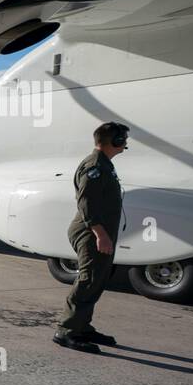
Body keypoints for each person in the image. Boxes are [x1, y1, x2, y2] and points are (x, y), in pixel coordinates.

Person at [53, 121, 129, 354]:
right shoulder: (94, 166)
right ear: (114, 141)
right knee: (88, 280)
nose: (125, 143)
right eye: (123, 139)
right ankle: (67, 331)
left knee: (96, 280)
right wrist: (100, 235)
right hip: (90, 232)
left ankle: (82, 326)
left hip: (98, 231)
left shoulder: (104, 164)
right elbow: (87, 203)